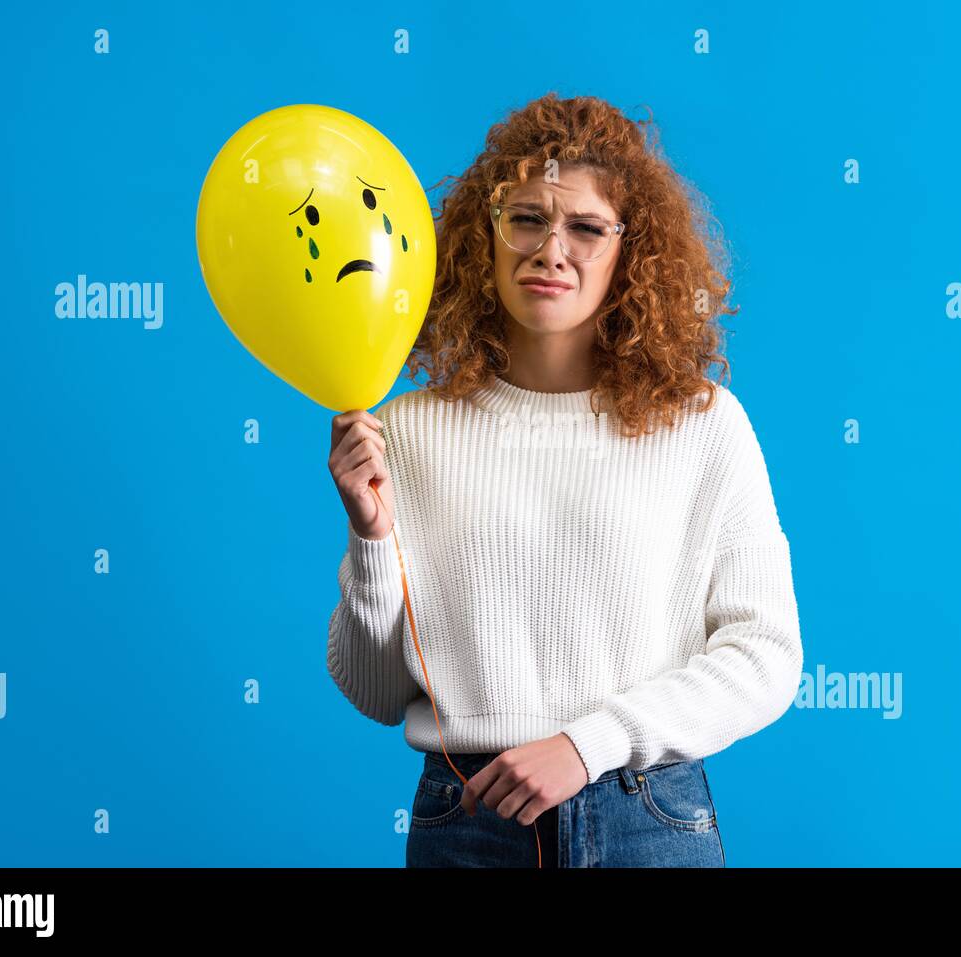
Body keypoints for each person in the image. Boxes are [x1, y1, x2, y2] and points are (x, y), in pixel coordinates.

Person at [327, 93, 802, 868]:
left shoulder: (704, 423)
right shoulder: (406, 430)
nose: (551, 249)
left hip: (647, 814)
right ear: (486, 234)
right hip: (468, 814)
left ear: (630, 251)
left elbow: (766, 653)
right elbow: (376, 693)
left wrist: (589, 744)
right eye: (526, 219)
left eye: (585, 227)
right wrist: (371, 536)